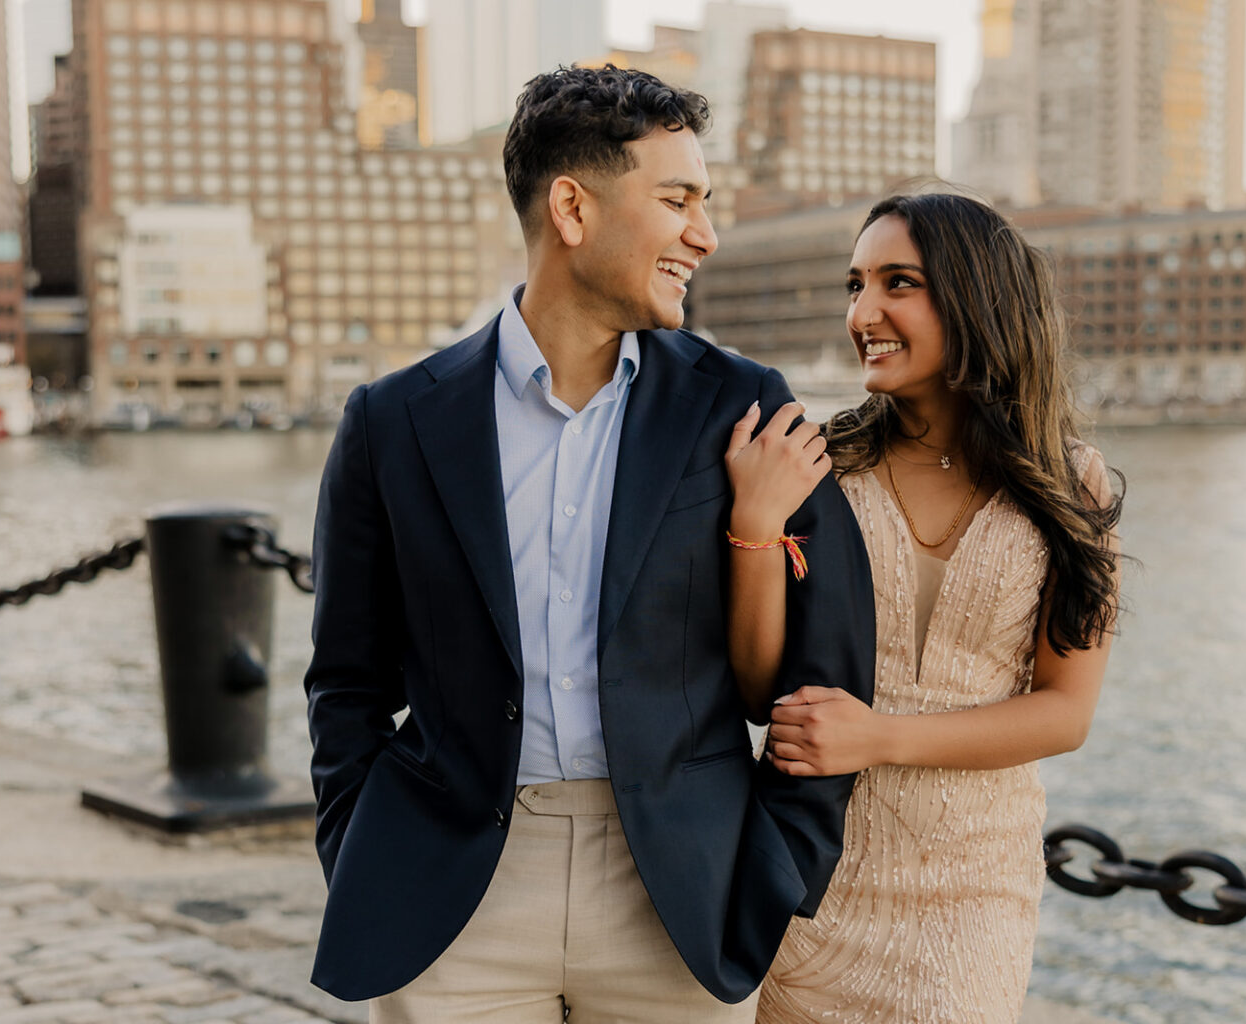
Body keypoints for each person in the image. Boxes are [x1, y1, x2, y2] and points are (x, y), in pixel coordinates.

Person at [303, 65, 875, 1022]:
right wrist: (363, 848)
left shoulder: (738, 406)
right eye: (677, 200)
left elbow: (830, 666)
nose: (706, 233)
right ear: (572, 207)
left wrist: (775, 869)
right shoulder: (393, 421)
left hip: (680, 892)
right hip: (454, 895)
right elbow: (347, 680)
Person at [723, 190, 1123, 1023]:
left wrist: (882, 737)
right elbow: (761, 692)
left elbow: (1064, 713)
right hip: (811, 873)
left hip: (974, 888)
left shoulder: (1070, 482)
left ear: (976, 298)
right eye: (855, 285)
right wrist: (756, 526)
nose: (863, 312)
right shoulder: (818, 462)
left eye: (898, 282)